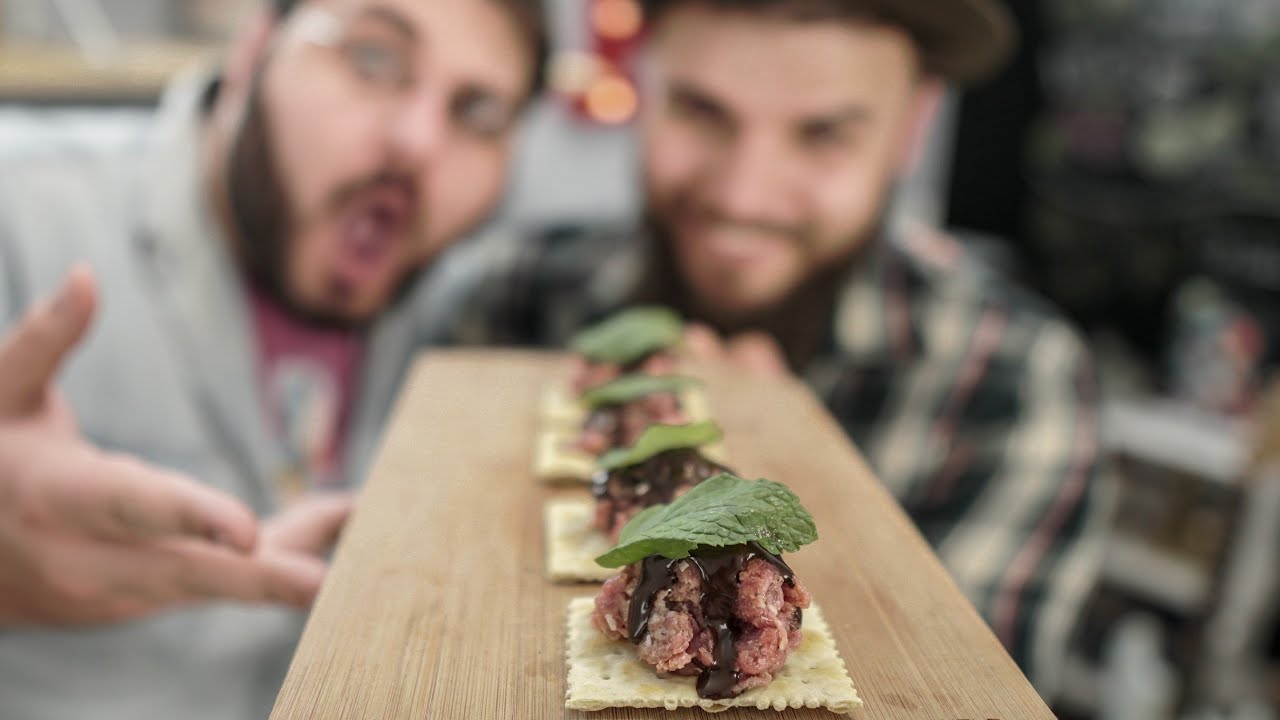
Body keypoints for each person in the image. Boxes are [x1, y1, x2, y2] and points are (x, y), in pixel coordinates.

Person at [449, 0, 1109, 701]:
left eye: (823, 134)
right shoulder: (522, 293)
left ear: (912, 126)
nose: (745, 194)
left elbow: (964, 698)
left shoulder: (1013, 384)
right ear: (644, 83)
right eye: (703, 111)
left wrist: (797, 453)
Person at [0, 0, 545, 717]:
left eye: (476, 114)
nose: (418, 140)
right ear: (253, 51)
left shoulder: (466, 306)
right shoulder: (24, 210)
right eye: (373, 59)